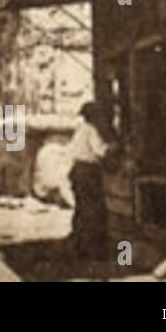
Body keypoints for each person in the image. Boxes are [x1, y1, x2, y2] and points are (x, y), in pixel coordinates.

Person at [68, 101, 116, 259]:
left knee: (81, 209)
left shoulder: (80, 130)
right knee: (94, 210)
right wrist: (112, 148)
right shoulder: (91, 131)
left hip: (76, 171)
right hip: (88, 173)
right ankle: (92, 249)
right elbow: (99, 151)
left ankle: (78, 245)